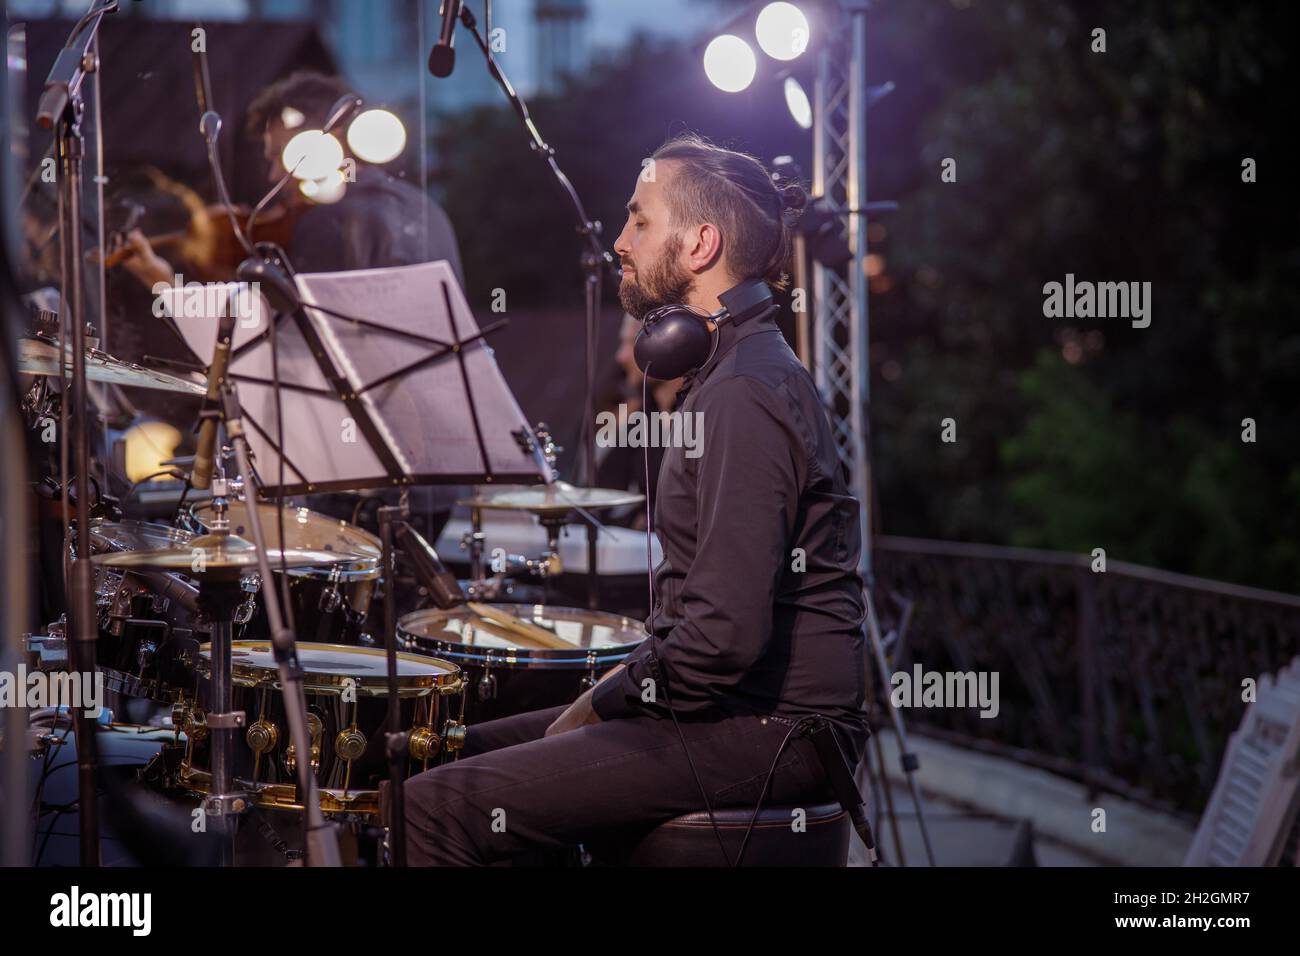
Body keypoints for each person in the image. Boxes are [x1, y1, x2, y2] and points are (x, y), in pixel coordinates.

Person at [396, 133, 868, 865]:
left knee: (433, 808)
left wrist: (604, 699)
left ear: (701, 243)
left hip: (776, 729)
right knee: (436, 753)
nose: (619, 241)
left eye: (639, 221)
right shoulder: (731, 372)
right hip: (732, 712)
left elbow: (722, 641)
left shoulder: (744, 394)